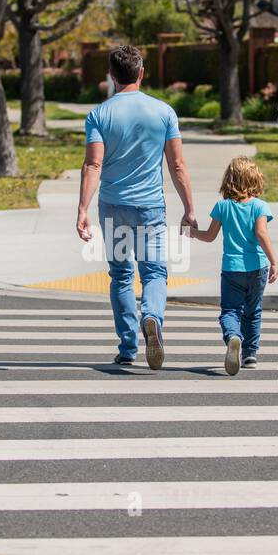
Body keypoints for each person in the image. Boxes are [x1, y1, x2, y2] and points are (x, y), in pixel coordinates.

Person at [76, 44, 197, 369]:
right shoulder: (164, 112)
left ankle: (128, 346)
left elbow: (93, 165)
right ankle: (153, 317)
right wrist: (189, 208)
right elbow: (178, 166)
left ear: (112, 76)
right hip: (150, 207)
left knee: (121, 276)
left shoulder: (99, 115)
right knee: (155, 272)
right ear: (141, 73)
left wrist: (82, 210)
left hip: (113, 205)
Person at [189, 155, 278, 375]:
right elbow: (261, 234)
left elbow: (210, 236)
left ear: (229, 180)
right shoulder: (260, 206)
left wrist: (190, 232)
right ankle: (250, 354)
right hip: (257, 268)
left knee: (230, 310)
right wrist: (274, 261)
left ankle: (233, 336)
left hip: (231, 269)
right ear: (255, 179)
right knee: (253, 311)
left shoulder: (222, 206)